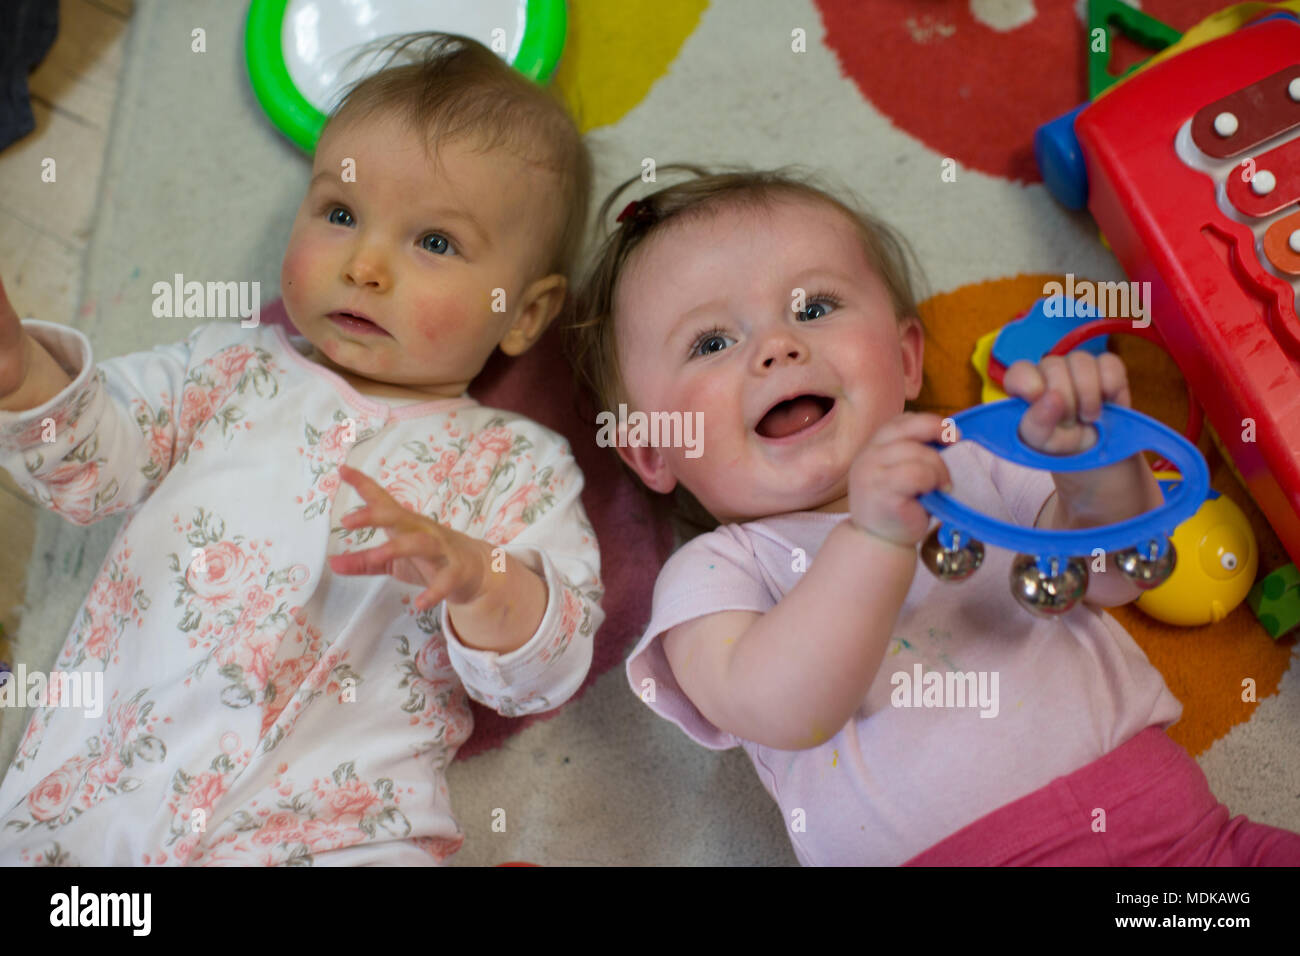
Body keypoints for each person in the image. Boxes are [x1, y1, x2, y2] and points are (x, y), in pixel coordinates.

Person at [566, 165, 1300, 865]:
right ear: (652, 453)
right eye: (712, 343)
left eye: (814, 308)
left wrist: (1096, 459)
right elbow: (784, 708)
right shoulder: (716, 572)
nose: (778, 348)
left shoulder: (979, 459)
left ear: (906, 358)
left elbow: (1110, 576)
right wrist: (875, 538)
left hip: (1181, 846)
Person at [0, 34, 602, 865]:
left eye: (434, 243)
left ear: (525, 315)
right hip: (97, 806)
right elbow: (91, 469)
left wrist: (481, 579)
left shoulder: (517, 466)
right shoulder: (225, 368)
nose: (364, 266)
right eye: (340, 214)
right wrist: (23, 374)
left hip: (337, 830)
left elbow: (543, 669)